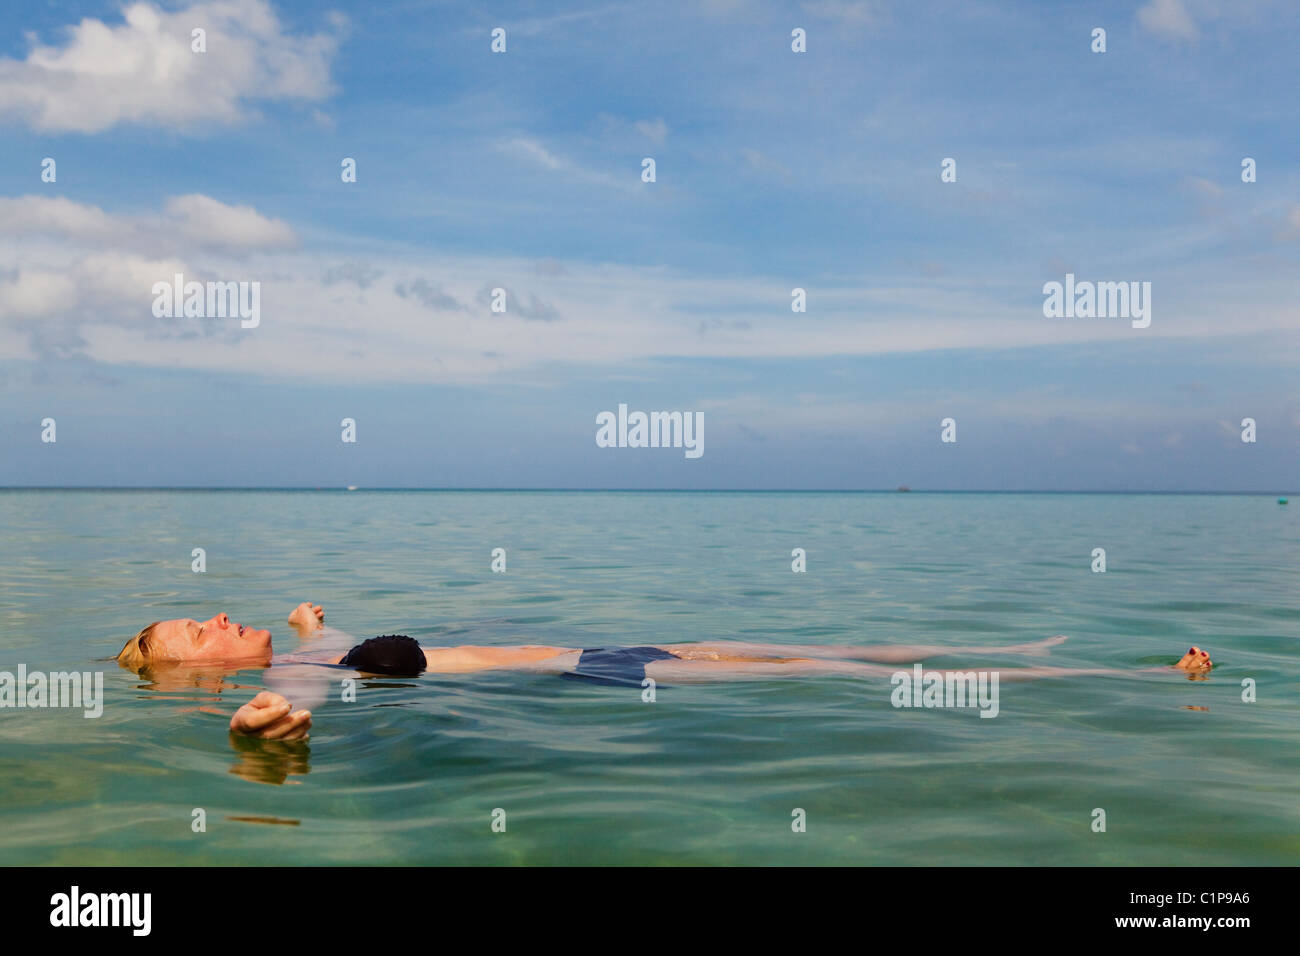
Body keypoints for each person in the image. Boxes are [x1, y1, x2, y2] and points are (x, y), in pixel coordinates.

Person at [118, 603, 1214, 741]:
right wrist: (273, 710)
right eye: (196, 631)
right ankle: (1139, 677)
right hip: (600, 678)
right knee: (836, 678)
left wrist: (314, 616)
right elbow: (302, 686)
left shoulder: (317, 634)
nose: (221, 616)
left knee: (835, 645)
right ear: (199, 677)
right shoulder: (307, 669)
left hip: (616, 647)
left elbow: (315, 637)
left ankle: (1025, 648)